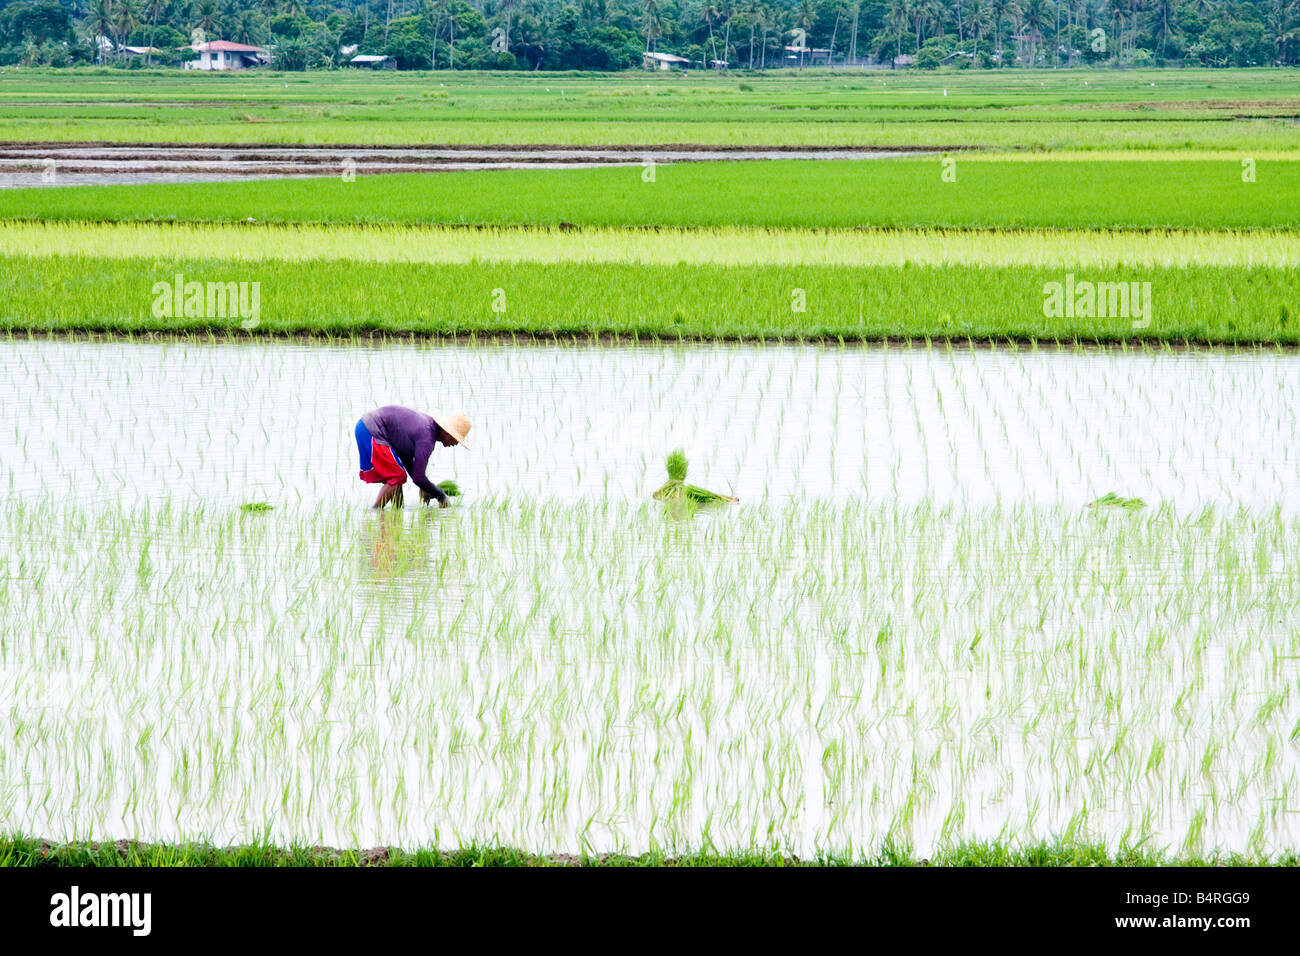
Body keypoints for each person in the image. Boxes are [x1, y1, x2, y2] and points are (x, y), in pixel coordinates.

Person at [355, 405, 471, 509]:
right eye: (456, 439)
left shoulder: (427, 428)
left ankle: (397, 513)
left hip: (367, 426)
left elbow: (408, 463)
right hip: (372, 429)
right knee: (397, 476)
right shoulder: (427, 438)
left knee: (397, 475)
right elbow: (418, 477)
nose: (456, 443)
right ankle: (375, 512)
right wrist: (440, 495)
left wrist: (426, 487)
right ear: (448, 433)